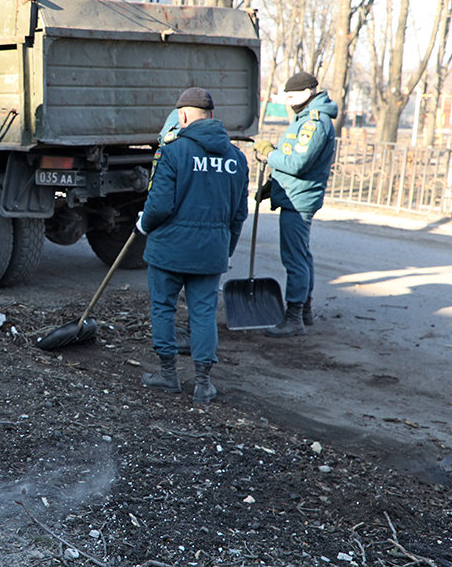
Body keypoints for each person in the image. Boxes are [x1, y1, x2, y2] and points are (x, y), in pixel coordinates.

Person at [138, 87, 249, 404]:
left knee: (163, 307)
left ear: (182, 116)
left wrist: (143, 223)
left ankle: (168, 376)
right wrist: (224, 250)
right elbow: (238, 214)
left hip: (168, 249)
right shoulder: (237, 159)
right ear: (212, 116)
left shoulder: (172, 153)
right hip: (211, 252)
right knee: (203, 314)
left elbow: (158, 207)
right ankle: (203, 383)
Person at [253, 71, 337, 337]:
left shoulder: (314, 122)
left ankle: (294, 318)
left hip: (299, 199)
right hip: (293, 194)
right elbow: (292, 156)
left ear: (308, 92)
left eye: (291, 95)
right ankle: (305, 311)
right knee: (302, 255)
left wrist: (268, 154)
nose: (287, 101)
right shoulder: (304, 118)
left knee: (295, 259)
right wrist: (272, 186)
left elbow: (297, 163)